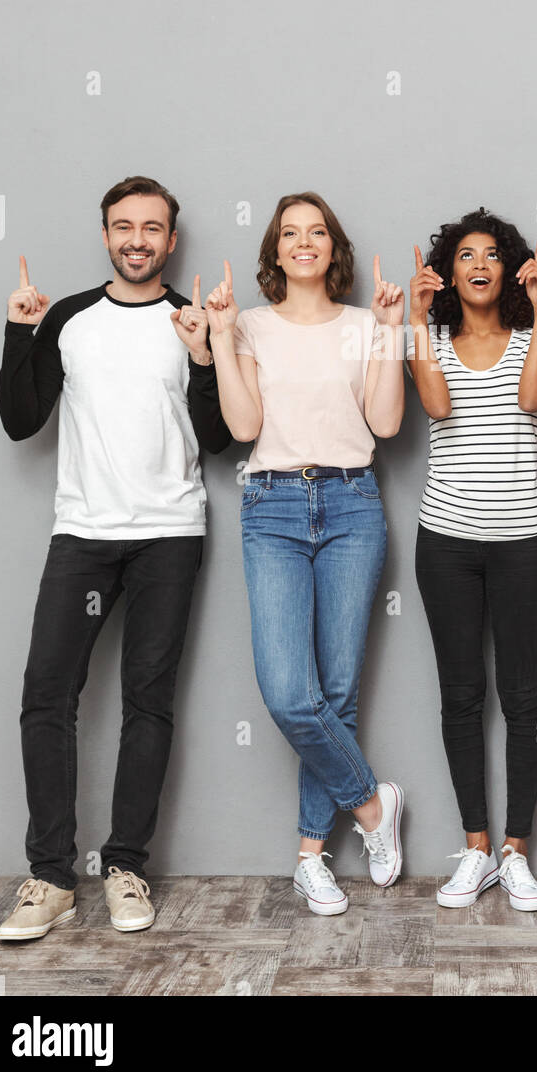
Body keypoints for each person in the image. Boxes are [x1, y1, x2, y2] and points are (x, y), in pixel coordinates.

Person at [0, 177, 231, 940]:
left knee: (148, 703)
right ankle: (49, 877)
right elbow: (20, 422)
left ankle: (125, 867)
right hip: (84, 534)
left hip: (170, 534)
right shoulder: (67, 317)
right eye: (123, 226)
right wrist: (18, 334)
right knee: (46, 696)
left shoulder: (184, 318)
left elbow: (222, 439)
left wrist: (202, 357)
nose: (137, 239)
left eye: (152, 228)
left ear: (171, 240)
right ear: (105, 236)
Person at [203, 192, 405, 916]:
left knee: (339, 691)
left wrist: (389, 333)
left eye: (316, 231)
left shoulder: (363, 325)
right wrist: (223, 339)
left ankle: (310, 858)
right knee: (292, 692)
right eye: (290, 233)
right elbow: (244, 422)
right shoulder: (250, 324)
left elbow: (383, 424)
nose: (304, 242)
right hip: (273, 508)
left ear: (334, 247)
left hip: (353, 503)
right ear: (275, 250)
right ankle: (373, 805)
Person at [407, 207, 537, 911]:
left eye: (492, 254)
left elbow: (532, 398)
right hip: (447, 543)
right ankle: (475, 848)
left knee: (524, 696)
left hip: (524, 542)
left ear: (509, 269)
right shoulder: (432, 337)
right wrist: (414, 322)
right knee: (461, 695)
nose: (479, 263)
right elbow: (437, 408)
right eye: (465, 253)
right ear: (449, 270)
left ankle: (516, 854)